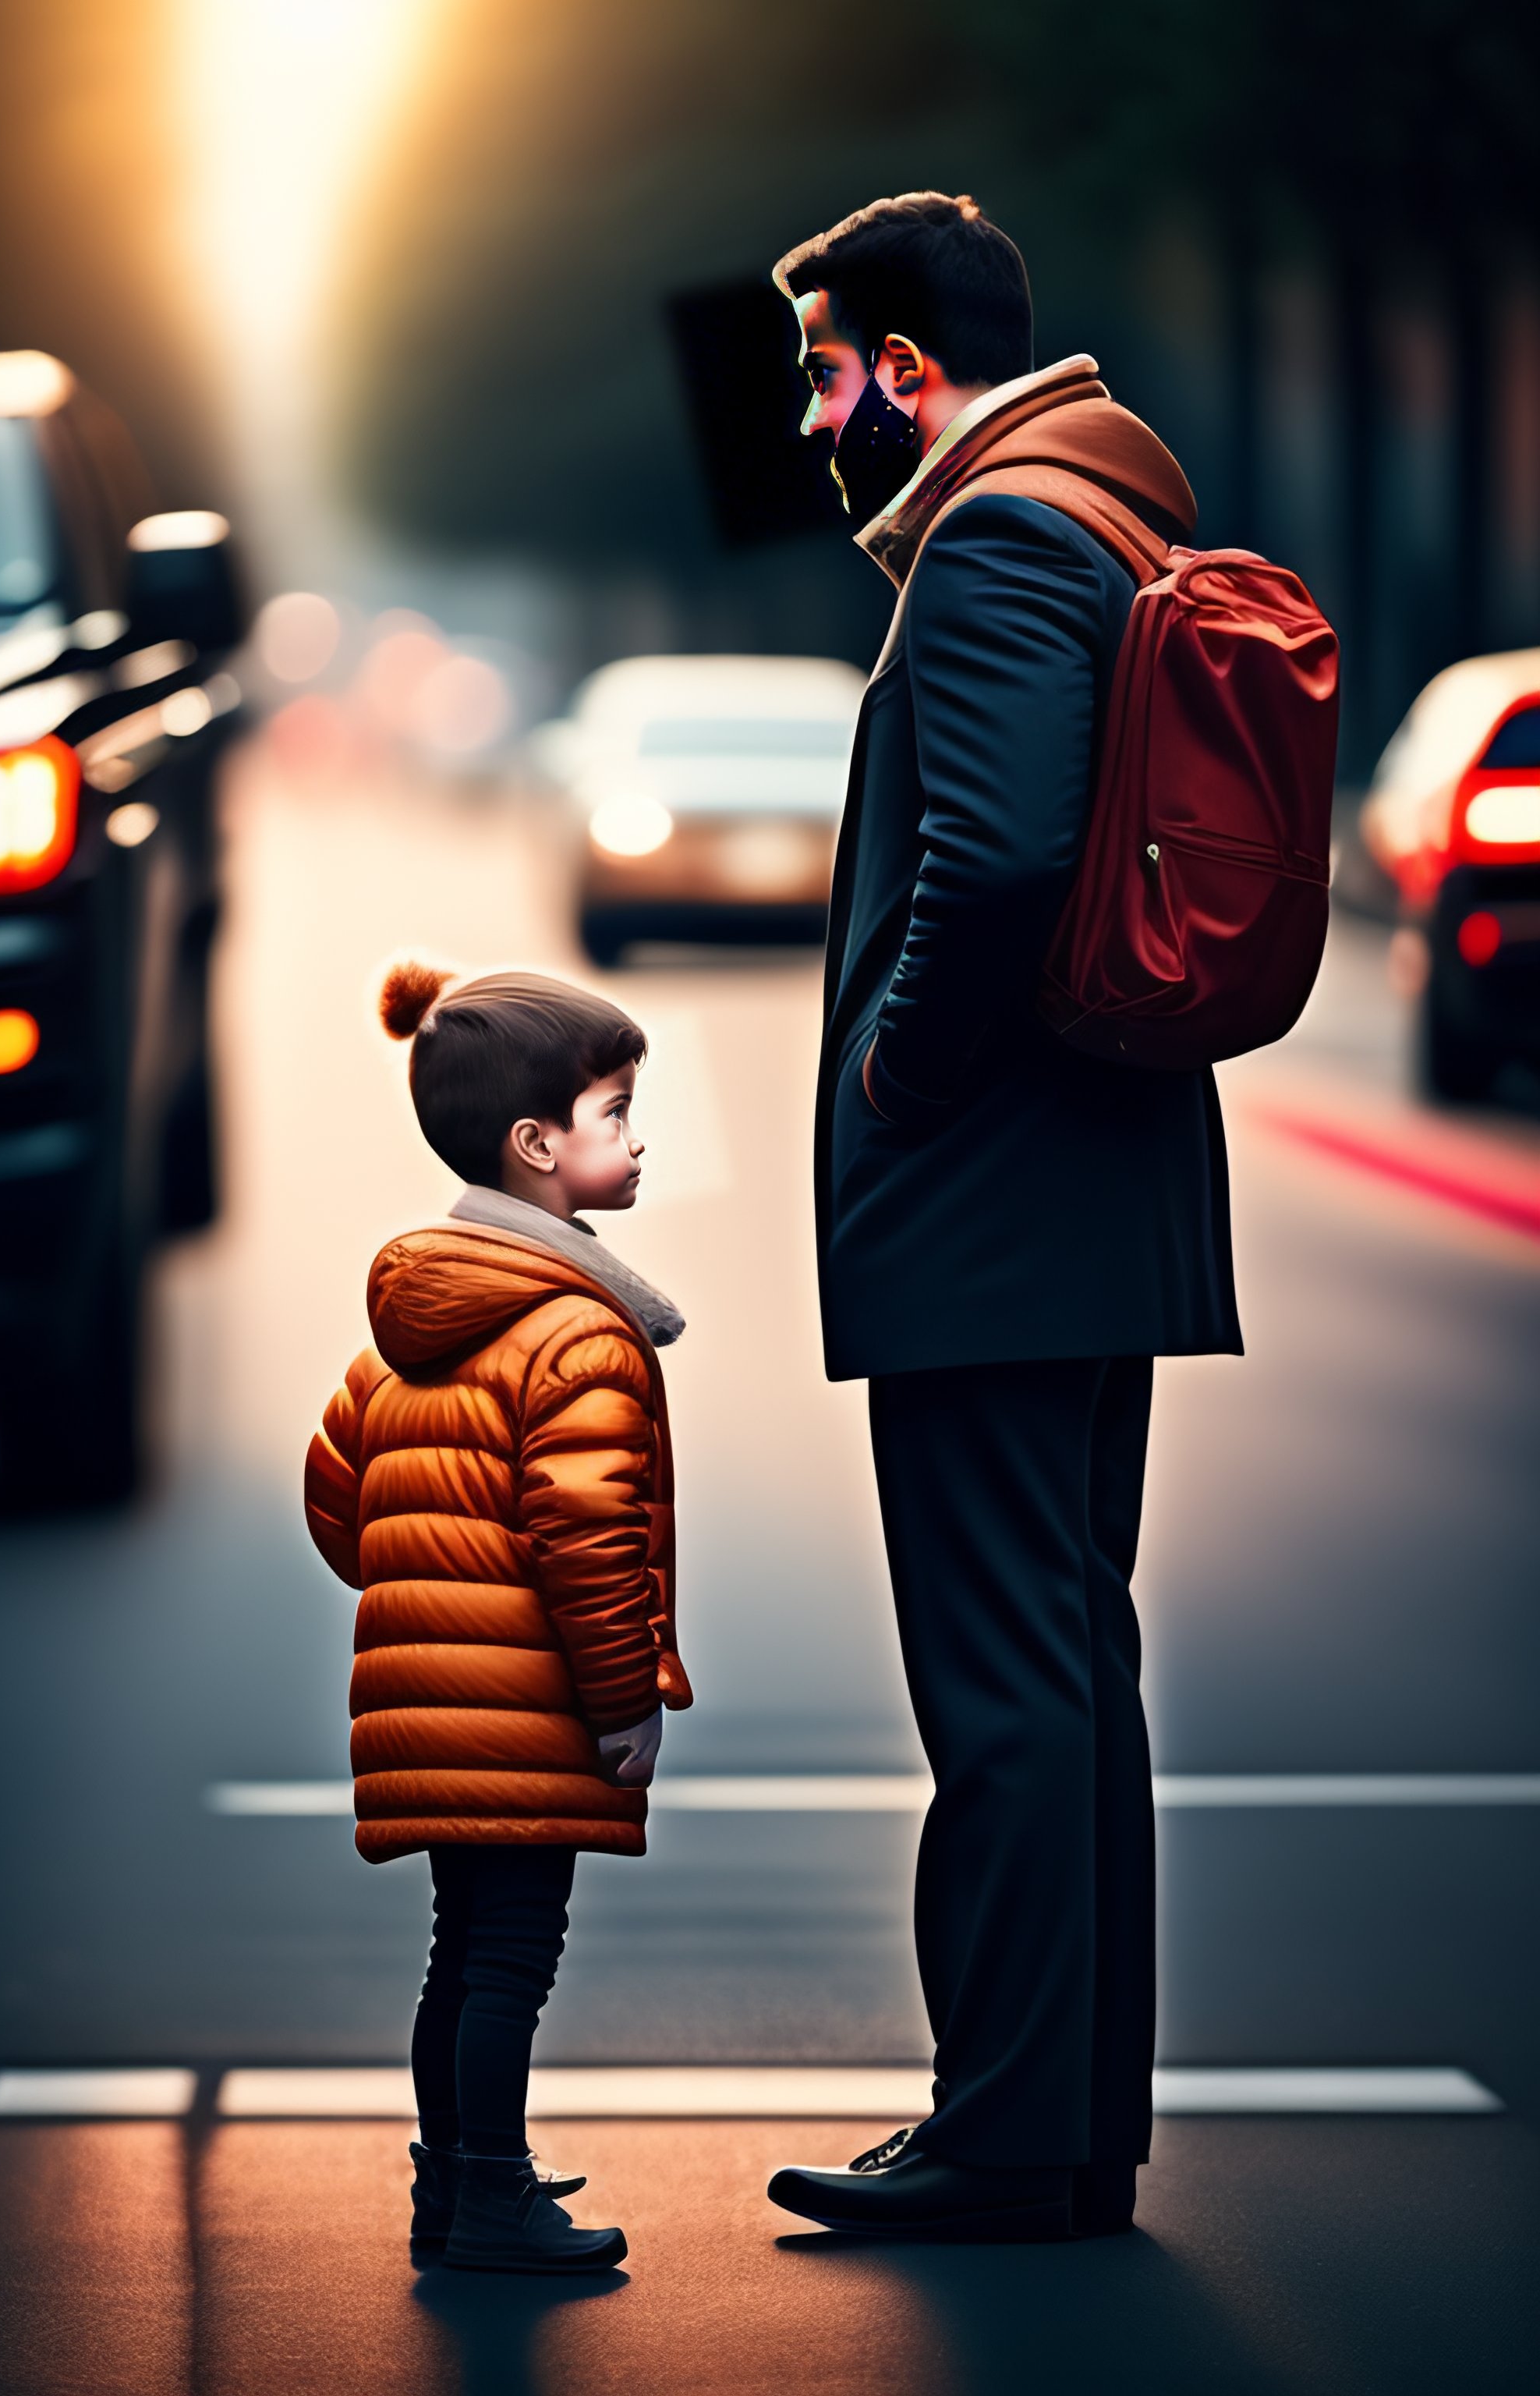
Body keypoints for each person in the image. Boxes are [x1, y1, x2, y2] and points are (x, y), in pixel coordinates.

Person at [763, 193, 1241, 2242]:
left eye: (826, 372)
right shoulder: (1106, 508)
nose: (814, 419)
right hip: (1087, 1189)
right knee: (1066, 1654)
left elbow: (1010, 848)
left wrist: (900, 1077)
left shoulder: (997, 539)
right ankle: (1055, 2127)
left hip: (994, 1201)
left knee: (1005, 1675)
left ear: (909, 367)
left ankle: (1008, 2131)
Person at [304, 965, 692, 2274]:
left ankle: (455, 2175)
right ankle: (488, 2193)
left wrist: (429, 1576)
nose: (637, 1139)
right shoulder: (573, 1337)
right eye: (617, 1112)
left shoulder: (398, 1340)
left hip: (427, 1707)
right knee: (512, 1960)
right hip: (524, 1716)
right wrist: (622, 1700)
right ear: (538, 1147)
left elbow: (339, 1512)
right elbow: (590, 1542)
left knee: (458, 1951)